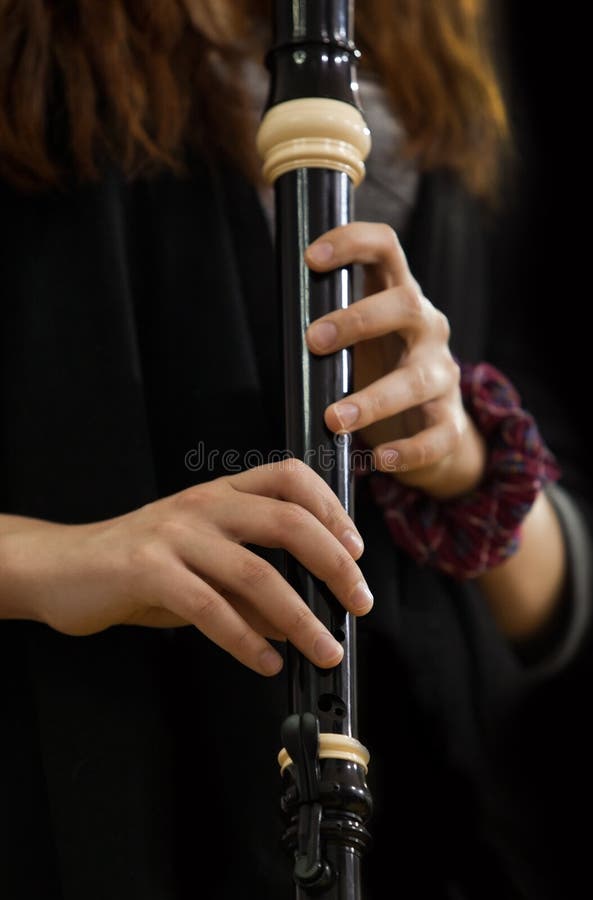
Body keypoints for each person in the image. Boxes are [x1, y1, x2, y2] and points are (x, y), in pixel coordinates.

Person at [0, 1, 589, 898]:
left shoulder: (445, 28)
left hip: (437, 813)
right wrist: (55, 561)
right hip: (109, 801)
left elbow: (554, 606)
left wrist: (458, 451)